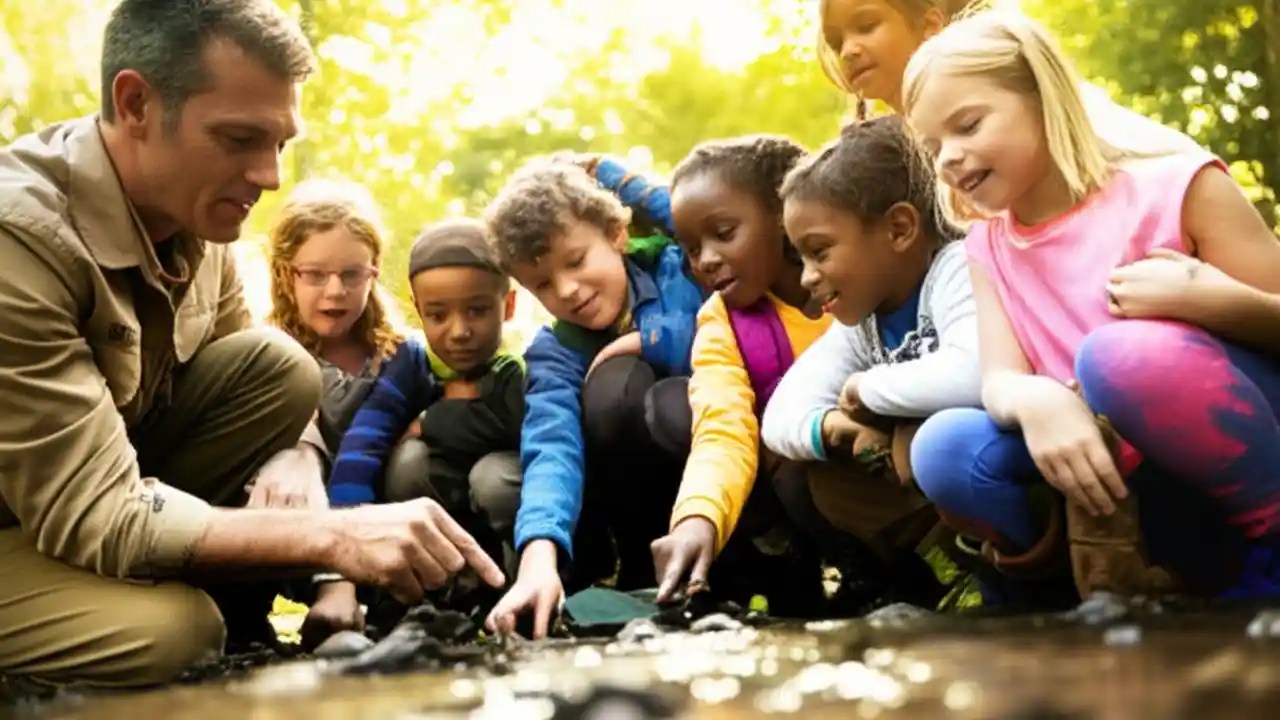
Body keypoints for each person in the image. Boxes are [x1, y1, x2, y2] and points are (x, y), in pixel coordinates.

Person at [0, 0, 500, 687]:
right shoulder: (20, 242)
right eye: (240, 140)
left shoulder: (192, 218)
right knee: (177, 633)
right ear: (137, 102)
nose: (269, 177)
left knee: (281, 367)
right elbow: (96, 514)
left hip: (86, 503)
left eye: (280, 144)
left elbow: (256, 369)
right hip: (38, 521)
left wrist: (297, 450)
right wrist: (341, 536)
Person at [904, 11, 1280, 600]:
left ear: (1043, 96)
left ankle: (1271, 548)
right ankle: (1064, 587)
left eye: (968, 125)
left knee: (1115, 357)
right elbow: (999, 376)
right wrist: (1037, 398)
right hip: (1110, 481)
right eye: (933, 147)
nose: (948, 157)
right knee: (943, 446)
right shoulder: (987, 246)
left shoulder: (1178, 185)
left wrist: (1205, 300)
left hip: (1233, 450)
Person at [760, 116, 980, 613]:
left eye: (820, 252)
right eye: (801, 259)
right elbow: (780, 417)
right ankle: (922, 583)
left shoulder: (960, 269)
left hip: (993, 462)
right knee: (809, 475)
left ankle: (1008, 568)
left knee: (931, 437)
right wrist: (843, 427)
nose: (809, 278)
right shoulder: (862, 323)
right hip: (925, 491)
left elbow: (975, 373)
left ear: (899, 229)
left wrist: (866, 395)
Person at [483, 157, 705, 639]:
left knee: (663, 394)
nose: (567, 290)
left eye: (577, 260)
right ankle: (640, 567)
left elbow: (705, 219)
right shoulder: (556, 352)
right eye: (542, 283)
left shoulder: (678, 268)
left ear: (616, 234)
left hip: (721, 471)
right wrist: (538, 559)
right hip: (630, 502)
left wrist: (611, 177)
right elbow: (551, 447)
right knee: (612, 390)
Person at [638, 135, 830, 616]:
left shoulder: (850, 282)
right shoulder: (722, 321)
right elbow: (722, 429)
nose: (704, 260)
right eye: (691, 247)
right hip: (795, 479)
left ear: (784, 214)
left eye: (724, 233)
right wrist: (696, 519)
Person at [327, 218, 524, 576]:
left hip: (504, 509)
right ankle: (440, 586)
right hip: (448, 507)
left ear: (507, 306)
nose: (460, 331)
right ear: (418, 311)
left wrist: (431, 421)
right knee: (406, 462)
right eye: (438, 315)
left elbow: (511, 424)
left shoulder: (516, 369)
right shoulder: (411, 364)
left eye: (477, 311)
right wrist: (348, 532)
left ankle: (523, 585)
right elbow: (366, 438)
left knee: (492, 477)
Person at [815, 0, 1198, 155]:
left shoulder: (1018, 98)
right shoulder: (883, 156)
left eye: (866, 26)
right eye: (836, 42)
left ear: (931, 25)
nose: (848, 50)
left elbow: (1158, 159)